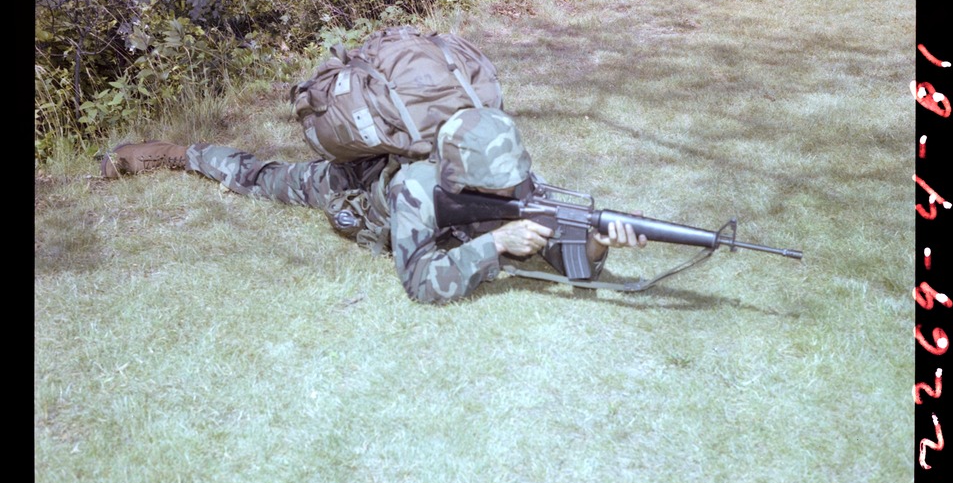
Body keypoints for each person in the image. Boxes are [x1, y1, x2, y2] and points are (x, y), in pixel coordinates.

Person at [100, 108, 645, 303]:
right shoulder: (416, 188)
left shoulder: (515, 178)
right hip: (354, 188)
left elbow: (564, 262)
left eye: (515, 183)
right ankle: (177, 153)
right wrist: (496, 244)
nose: (515, 194)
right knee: (261, 177)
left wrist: (597, 243)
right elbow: (421, 283)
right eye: (501, 189)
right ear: (466, 176)